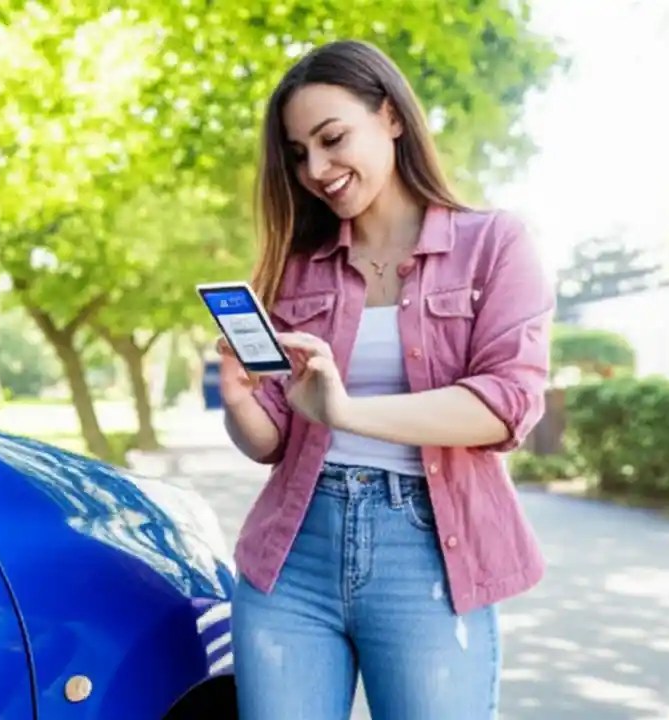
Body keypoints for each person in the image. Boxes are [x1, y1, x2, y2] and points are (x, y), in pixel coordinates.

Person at [220, 39, 554, 719]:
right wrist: (238, 401)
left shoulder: (495, 243)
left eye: (332, 137)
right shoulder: (298, 267)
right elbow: (275, 440)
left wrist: (347, 411)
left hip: (428, 553)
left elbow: (507, 406)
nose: (316, 168)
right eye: (297, 153)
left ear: (392, 117)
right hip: (293, 558)